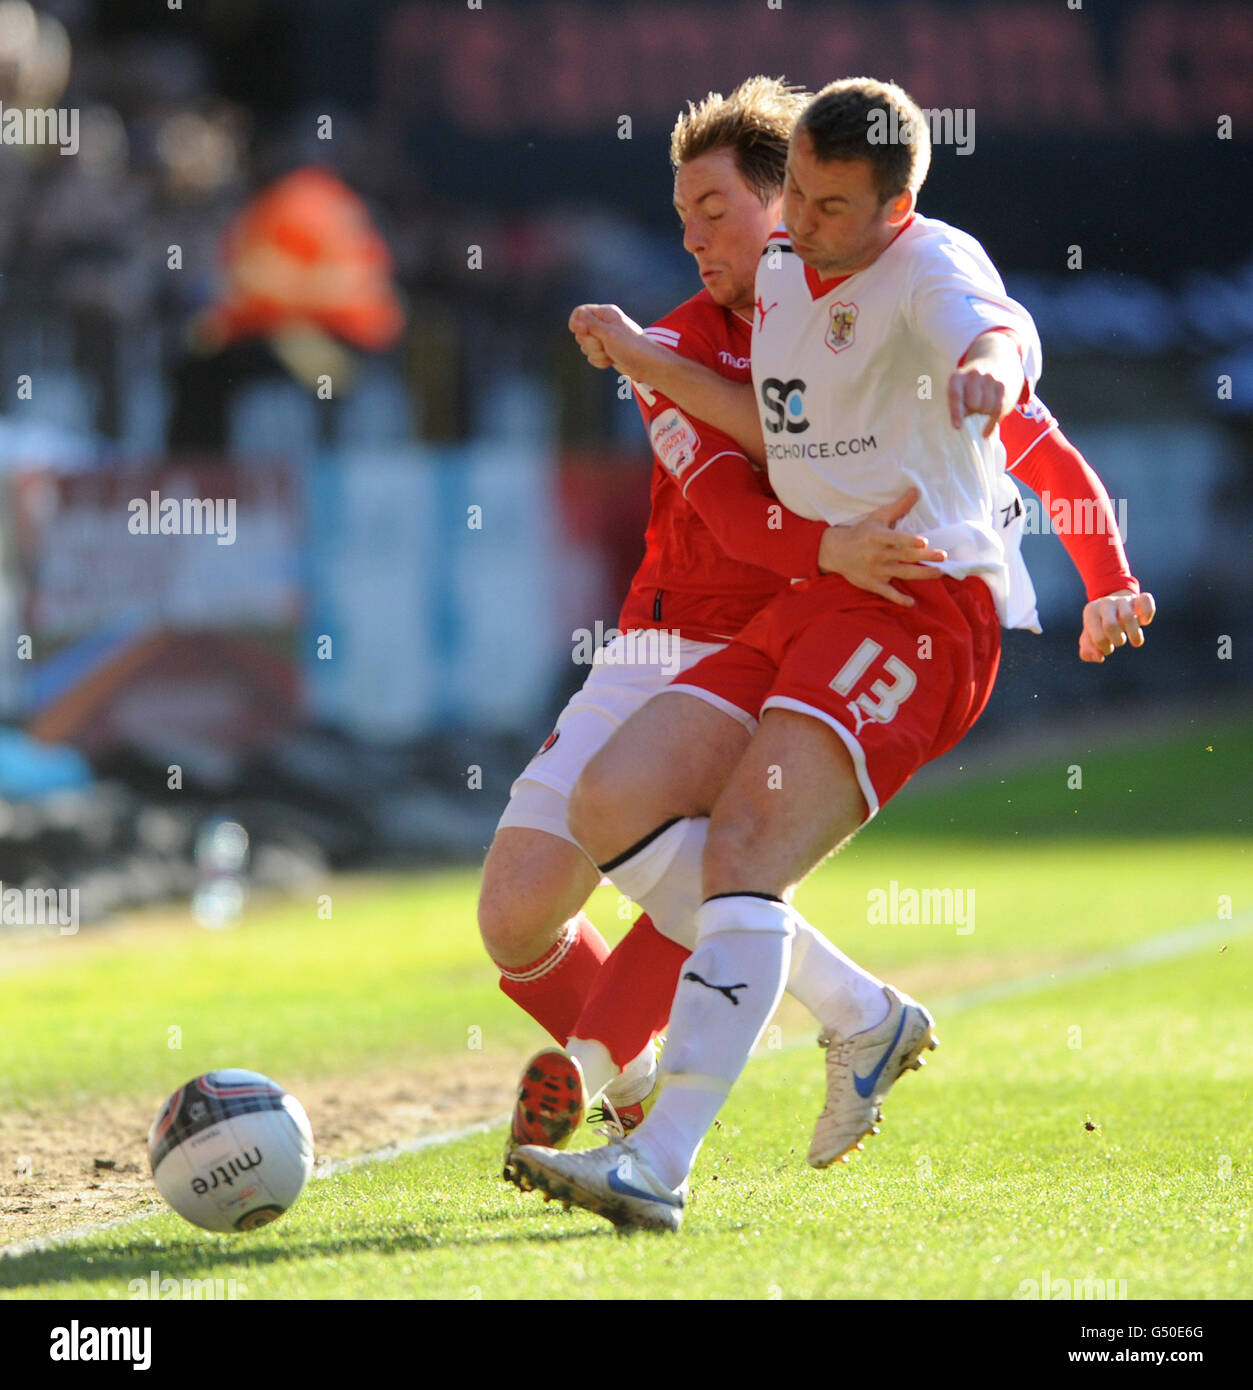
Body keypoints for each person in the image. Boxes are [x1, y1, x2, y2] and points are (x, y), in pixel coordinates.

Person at [508, 77, 1156, 1233]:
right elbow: (771, 422)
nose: (793, 226)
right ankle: (858, 1012)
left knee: (747, 848)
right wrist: (649, 364)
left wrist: (1098, 569)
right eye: (791, 195)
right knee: (617, 801)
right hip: (812, 600)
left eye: (824, 206)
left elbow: (1009, 362)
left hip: (917, 603)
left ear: (895, 207)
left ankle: (657, 1159)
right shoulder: (778, 270)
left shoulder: (932, 274)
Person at [481, 78, 961, 1178]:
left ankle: (624, 1097)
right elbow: (741, 521)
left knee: (686, 844)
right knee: (514, 916)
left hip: (781, 653)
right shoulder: (670, 347)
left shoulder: (849, 316)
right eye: (681, 214)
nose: (692, 237)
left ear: (783, 204)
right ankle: (798, 1027)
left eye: (714, 210)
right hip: (656, 644)